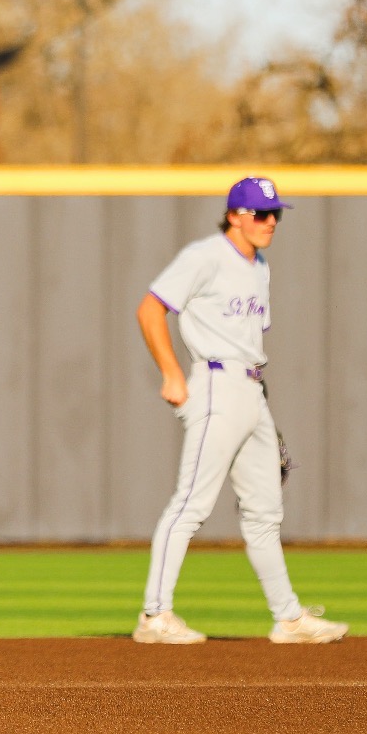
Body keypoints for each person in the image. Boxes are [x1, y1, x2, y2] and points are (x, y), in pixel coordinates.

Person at [132, 177, 347, 645]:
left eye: (277, 215)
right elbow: (150, 310)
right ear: (235, 215)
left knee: (265, 511)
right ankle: (154, 615)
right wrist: (171, 373)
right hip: (213, 384)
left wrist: (261, 406)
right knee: (192, 504)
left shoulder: (259, 266)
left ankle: (288, 618)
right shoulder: (204, 256)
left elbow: (250, 342)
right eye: (262, 214)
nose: (271, 223)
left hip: (250, 390)